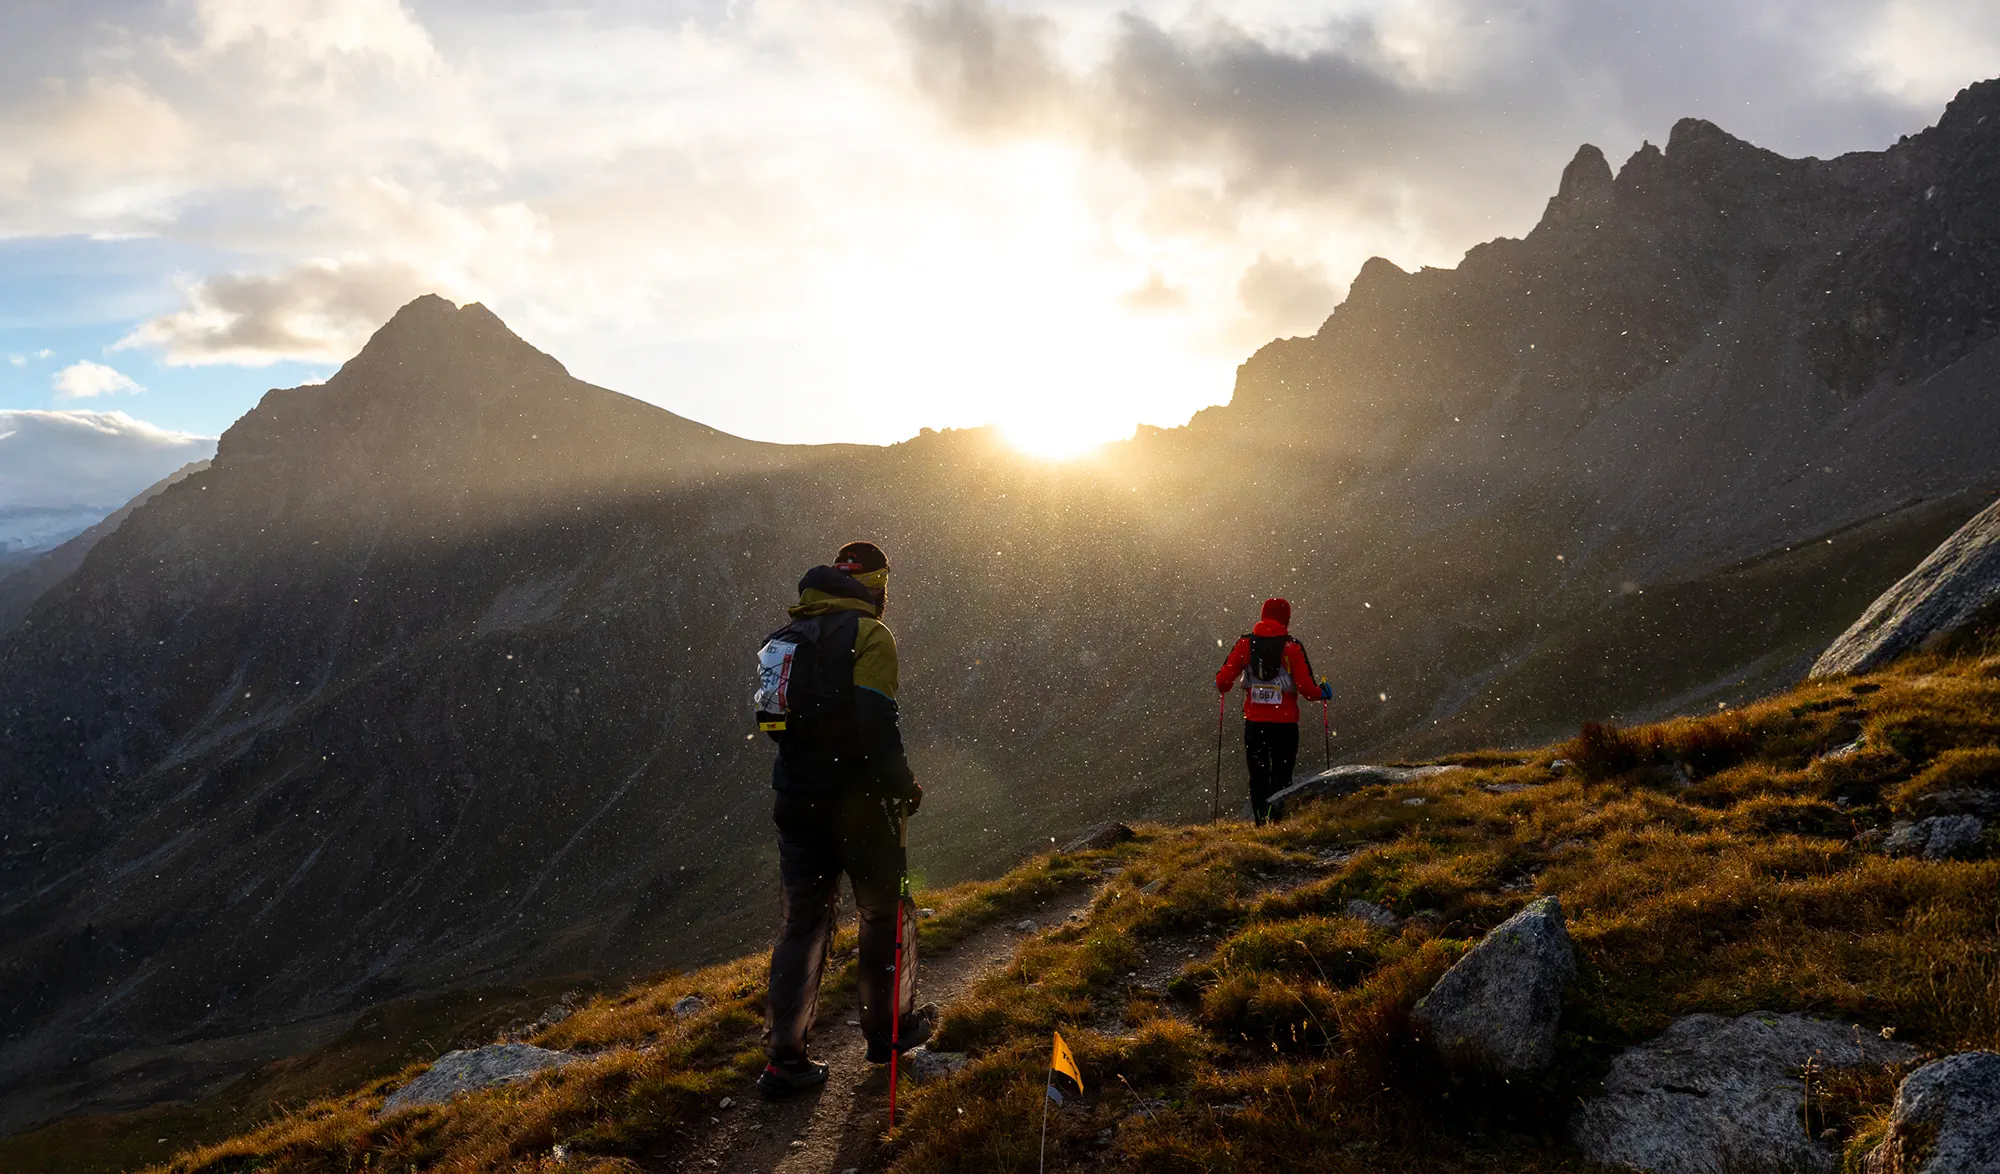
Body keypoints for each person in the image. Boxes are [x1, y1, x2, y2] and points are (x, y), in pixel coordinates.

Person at [754, 540, 933, 1099]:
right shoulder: (870, 635)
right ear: (876, 587)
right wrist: (902, 786)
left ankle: (784, 1059)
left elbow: (772, 723)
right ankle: (888, 1036)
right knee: (884, 912)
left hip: (795, 799)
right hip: (856, 805)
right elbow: (878, 722)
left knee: (802, 926)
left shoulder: (782, 639)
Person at [1214, 597, 1330, 825]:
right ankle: (1279, 823)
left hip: (1255, 724)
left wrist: (1231, 682)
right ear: (1286, 618)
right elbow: (1307, 690)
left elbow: (1222, 682)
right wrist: (1322, 692)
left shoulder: (1244, 645)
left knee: (1258, 777)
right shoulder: (1292, 647)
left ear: (1262, 615)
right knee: (1282, 776)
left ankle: (1261, 822)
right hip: (1285, 725)